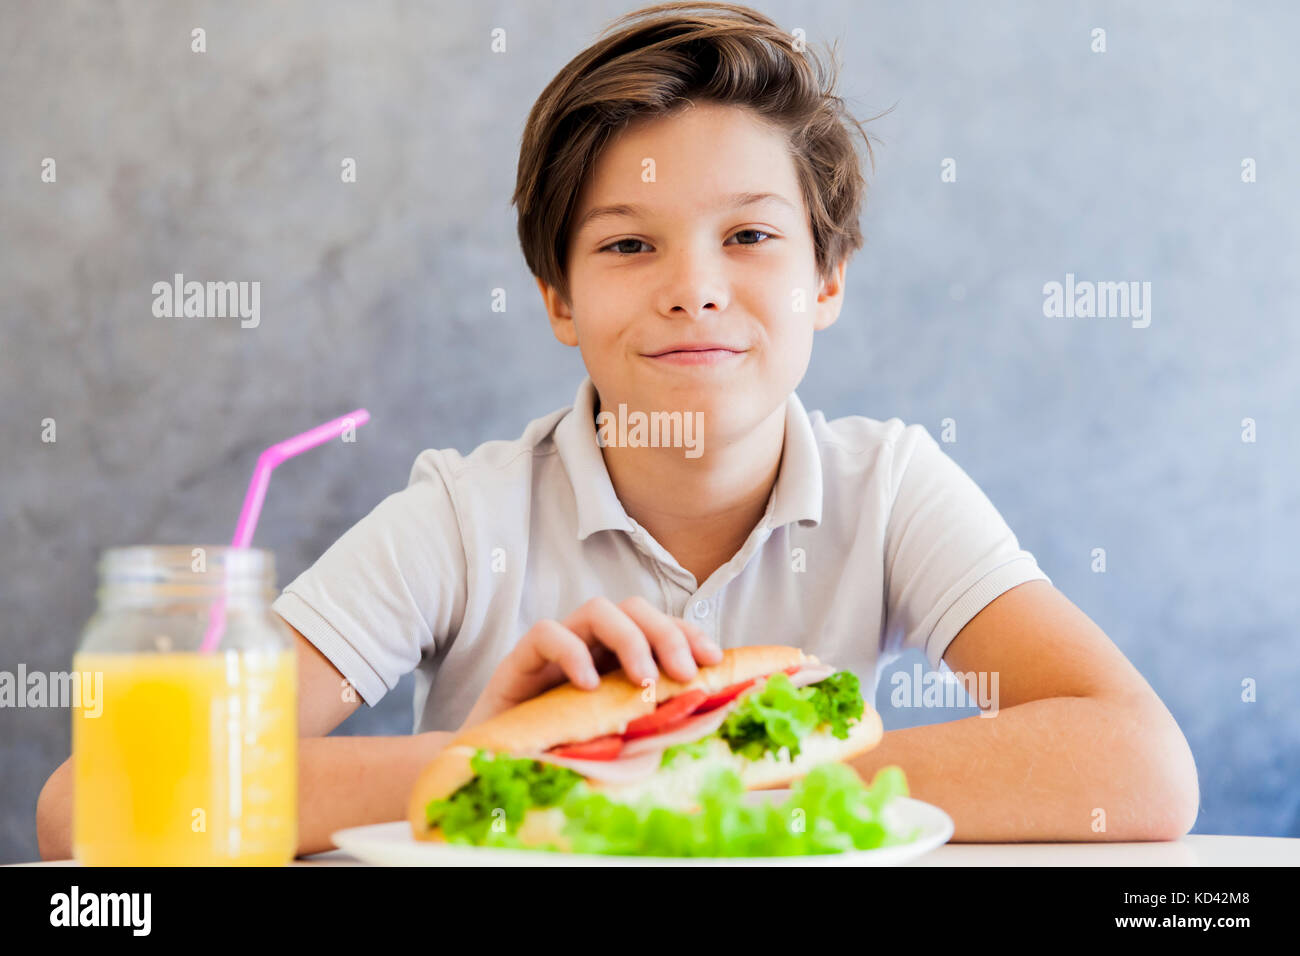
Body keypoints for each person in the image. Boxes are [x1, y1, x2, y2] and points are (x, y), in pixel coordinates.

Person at [37, 1, 1198, 860]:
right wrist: (497, 768)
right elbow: (94, 804)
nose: (694, 288)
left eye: (749, 237)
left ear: (828, 278)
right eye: (629, 244)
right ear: (556, 297)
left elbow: (1140, 763)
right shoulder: (460, 516)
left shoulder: (888, 488)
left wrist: (693, 771)